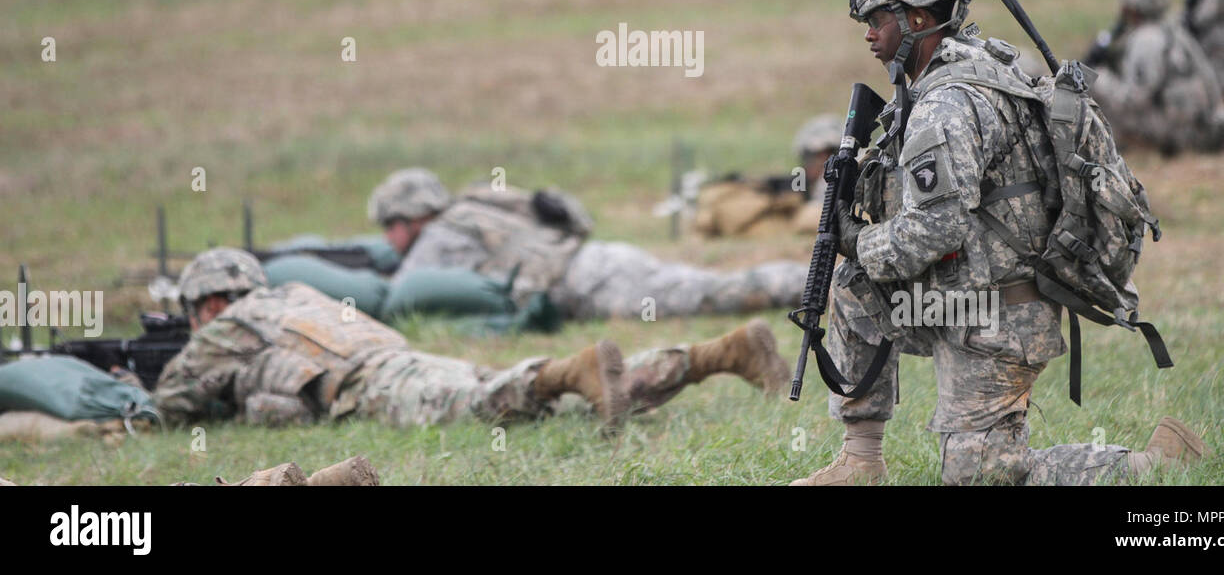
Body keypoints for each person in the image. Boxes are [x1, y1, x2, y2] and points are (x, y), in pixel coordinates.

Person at [790, 0, 1208, 486]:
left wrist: (860, 240)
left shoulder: (947, 103)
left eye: (876, 20)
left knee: (983, 476)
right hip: (960, 297)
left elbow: (938, 227)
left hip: (1000, 315)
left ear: (917, 17)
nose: (869, 34)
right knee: (854, 287)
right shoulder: (957, 75)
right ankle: (860, 462)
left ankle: (1152, 464)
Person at [152, 248, 790, 431]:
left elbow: (171, 401)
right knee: (524, 397)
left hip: (374, 382)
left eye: (194, 313)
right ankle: (717, 355)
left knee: (488, 404)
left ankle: (569, 372)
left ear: (209, 302)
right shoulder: (294, 295)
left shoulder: (229, 325)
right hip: (401, 359)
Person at [368, 169, 807, 319]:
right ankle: (806, 281)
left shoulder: (437, 237)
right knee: (706, 283)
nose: (389, 237)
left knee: (710, 294)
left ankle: (809, 285)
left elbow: (400, 296)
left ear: (413, 215)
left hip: (588, 282)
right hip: (599, 258)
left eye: (392, 224)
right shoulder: (475, 205)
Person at [1088, 0, 1224, 154]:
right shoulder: (1176, 30)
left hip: (1175, 134)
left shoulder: (1146, 40)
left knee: (1089, 88)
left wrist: (1097, 77)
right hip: (1201, 126)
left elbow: (1132, 101)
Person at [691, 114, 840, 238]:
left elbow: (813, 215)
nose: (807, 165)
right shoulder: (819, 183)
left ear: (824, 154)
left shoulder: (834, 182)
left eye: (809, 157)